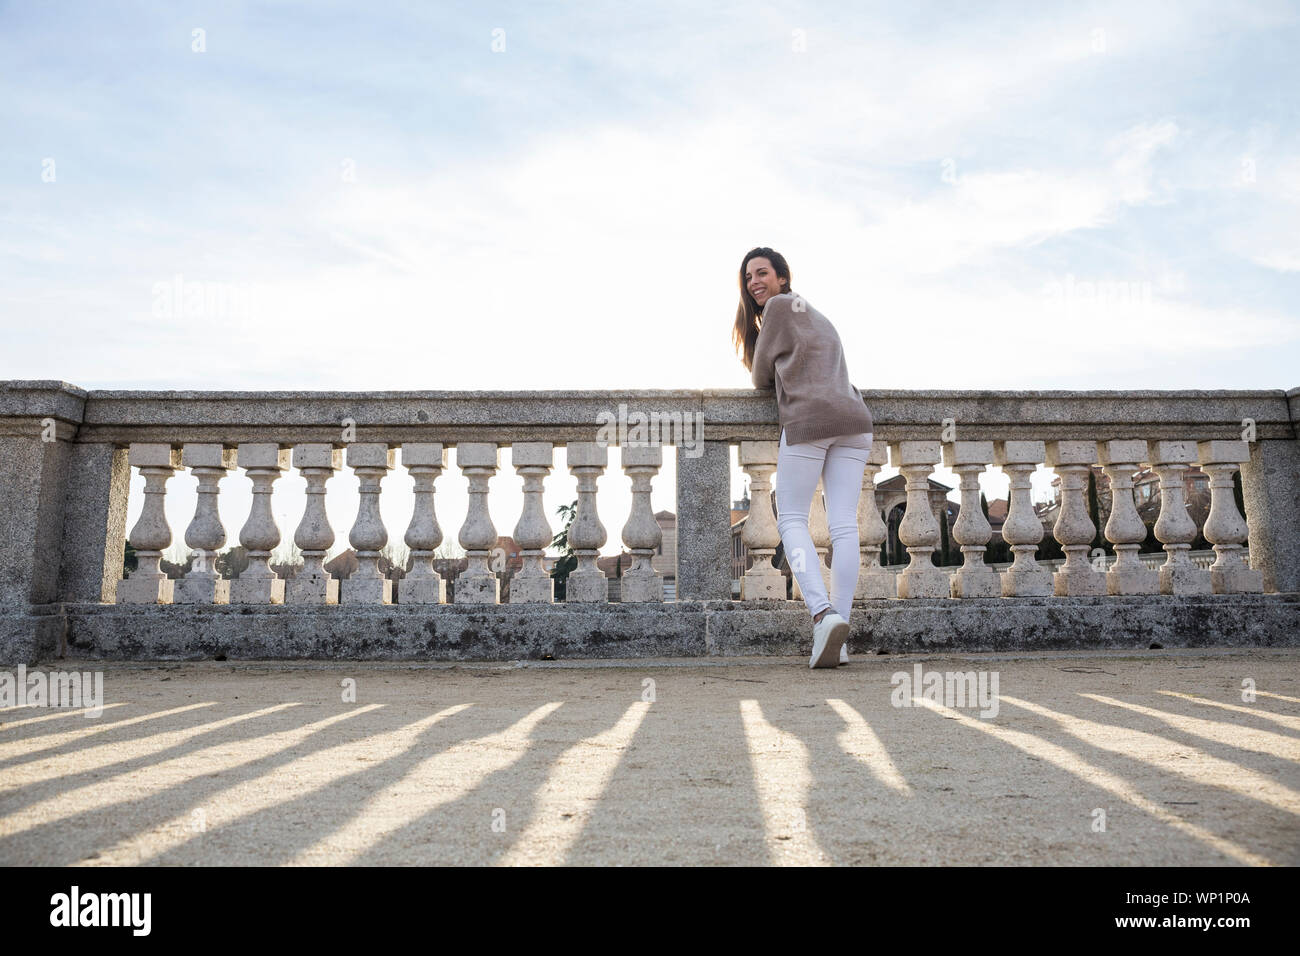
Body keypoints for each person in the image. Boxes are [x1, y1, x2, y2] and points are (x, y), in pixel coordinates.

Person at [732, 247, 875, 668]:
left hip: (811, 421)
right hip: (854, 421)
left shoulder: (778, 307)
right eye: (748, 278)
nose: (754, 282)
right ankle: (838, 634)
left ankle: (822, 613)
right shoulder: (815, 314)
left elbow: (760, 376)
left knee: (791, 519)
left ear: (781, 277)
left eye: (761, 273)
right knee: (843, 525)